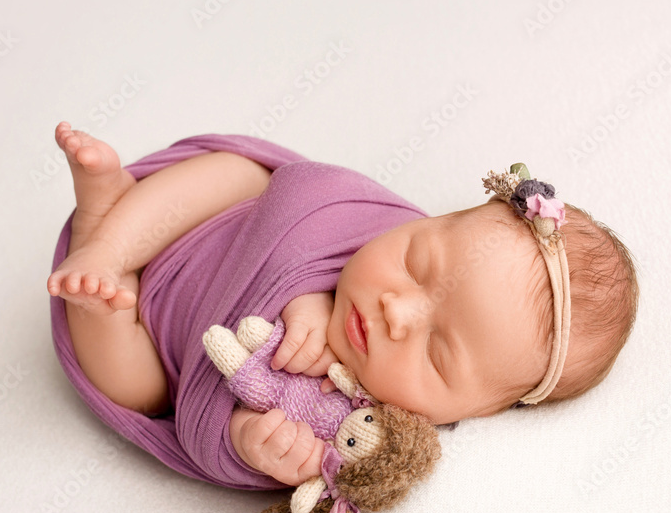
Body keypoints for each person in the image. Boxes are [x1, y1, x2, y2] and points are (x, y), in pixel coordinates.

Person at [47, 122, 639, 489]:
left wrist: (252, 444)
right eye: (415, 262)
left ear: (473, 412)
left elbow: (203, 430)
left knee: (136, 388)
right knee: (243, 173)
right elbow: (309, 194)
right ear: (427, 222)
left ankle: (102, 233)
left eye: (436, 352)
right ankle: (114, 241)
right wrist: (308, 293)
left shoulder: (354, 428)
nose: (396, 312)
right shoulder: (376, 224)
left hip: (158, 335)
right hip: (210, 222)